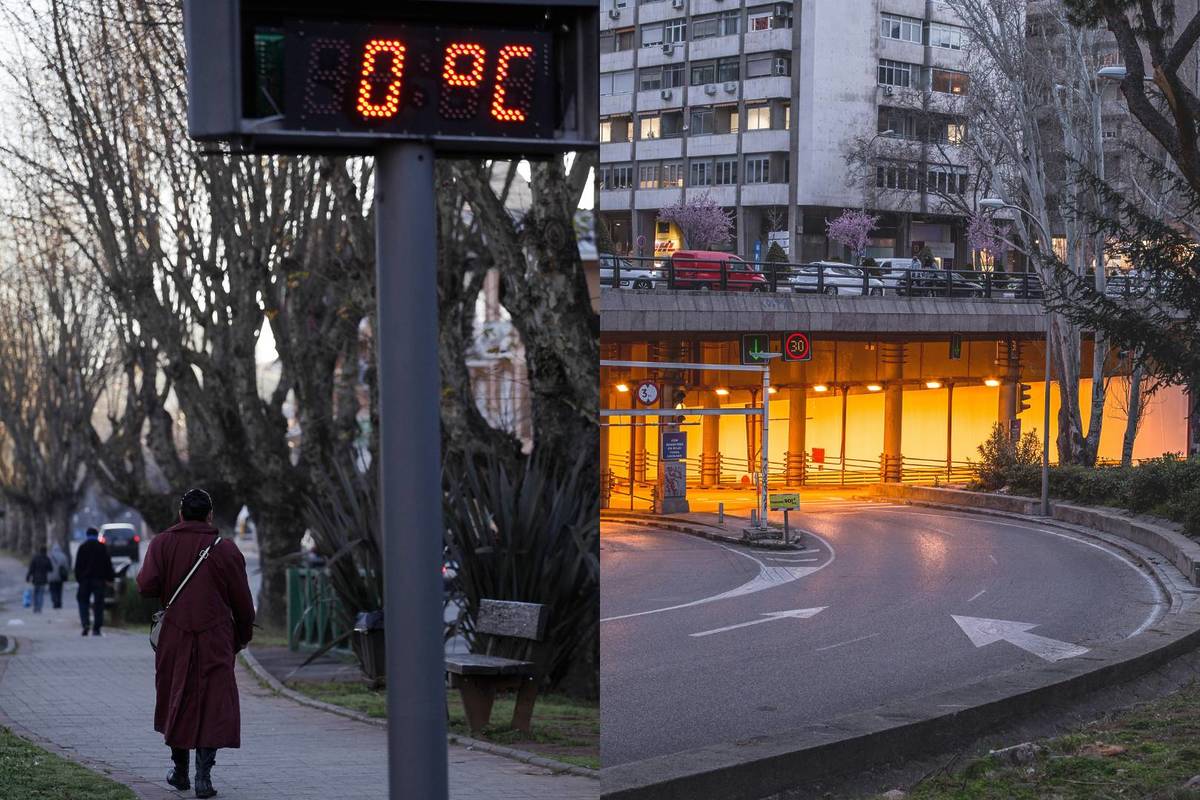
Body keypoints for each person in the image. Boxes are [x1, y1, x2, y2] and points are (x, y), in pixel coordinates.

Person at [137, 488, 255, 799]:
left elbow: (145, 585)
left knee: (177, 696)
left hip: (175, 635)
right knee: (213, 702)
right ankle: (204, 776)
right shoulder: (226, 550)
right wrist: (241, 637)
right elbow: (243, 603)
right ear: (210, 515)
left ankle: (179, 770)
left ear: (180, 514)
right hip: (216, 637)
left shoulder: (162, 543)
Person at [74, 528, 114, 635]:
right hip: (99, 580)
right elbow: (108, 564)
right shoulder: (102, 547)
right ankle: (97, 628)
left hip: (85, 580)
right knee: (99, 604)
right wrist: (110, 578)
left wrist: (79, 579)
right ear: (97, 535)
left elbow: (77, 566)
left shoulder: (82, 547)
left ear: (86, 535)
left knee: (83, 601)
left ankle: (85, 624)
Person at [25, 547, 53, 614]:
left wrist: (28, 576)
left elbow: (31, 568)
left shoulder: (35, 558)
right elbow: (51, 569)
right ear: (45, 552)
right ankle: (39, 608)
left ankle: (35, 607)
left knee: (35, 593)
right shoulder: (46, 559)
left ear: (39, 551)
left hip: (36, 579)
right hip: (43, 579)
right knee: (41, 594)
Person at [48, 543, 69, 610]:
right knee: (59, 590)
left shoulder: (49, 556)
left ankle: (55, 602)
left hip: (51, 576)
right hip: (60, 576)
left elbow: (47, 566)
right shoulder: (63, 556)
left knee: (52, 590)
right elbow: (66, 566)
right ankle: (59, 603)